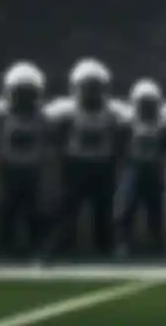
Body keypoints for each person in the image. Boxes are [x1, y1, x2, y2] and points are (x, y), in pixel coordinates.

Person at [47, 57, 123, 257]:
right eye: (87, 87)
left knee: (103, 210)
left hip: (102, 165)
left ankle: (105, 247)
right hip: (76, 165)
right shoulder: (64, 111)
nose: (91, 92)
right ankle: (63, 247)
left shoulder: (113, 111)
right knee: (68, 210)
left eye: (95, 87)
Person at [0, 61, 50, 256]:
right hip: (10, 170)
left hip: (32, 170)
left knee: (34, 213)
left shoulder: (44, 117)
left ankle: (37, 247)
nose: (24, 98)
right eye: (20, 93)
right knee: (8, 212)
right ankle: (5, 248)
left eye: (28, 93)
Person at [117, 78, 166, 257]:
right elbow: (120, 148)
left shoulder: (162, 126)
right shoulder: (127, 123)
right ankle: (124, 243)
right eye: (143, 103)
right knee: (127, 208)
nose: (147, 107)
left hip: (153, 170)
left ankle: (157, 243)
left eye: (150, 104)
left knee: (155, 210)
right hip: (135, 168)